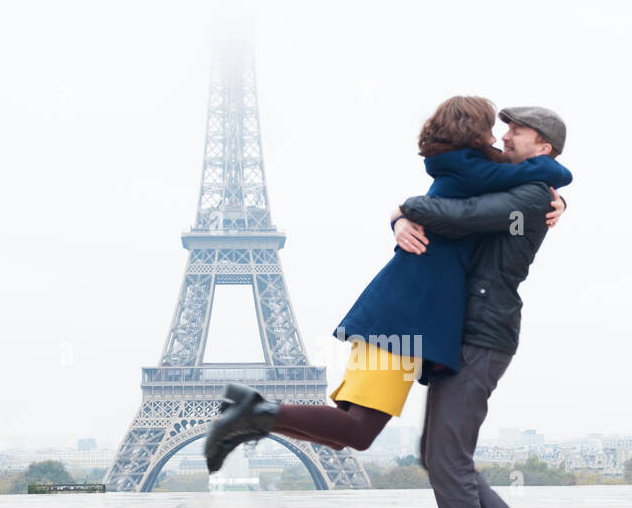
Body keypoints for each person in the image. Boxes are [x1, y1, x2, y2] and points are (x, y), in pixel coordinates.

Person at [204, 96, 571, 470]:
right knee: (357, 430)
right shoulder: (474, 174)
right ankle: (255, 411)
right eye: (493, 130)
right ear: (474, 134)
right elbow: (507, 191)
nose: (499, 138)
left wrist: (552, 203)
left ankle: (251, 420)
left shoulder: (462, 170)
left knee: (345, 436)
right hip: (408, 314)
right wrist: (554, 186)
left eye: (511, 131)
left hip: (397, 307)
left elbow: (509, 209)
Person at [391, 105, 570, 508]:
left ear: (545, 148)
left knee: (447, 457)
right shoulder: (513, 184)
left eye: (518, 130)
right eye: (505, 126)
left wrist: (406, 207)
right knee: (439, 455)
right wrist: (398, 217)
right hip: (468, 329)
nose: (505, 135)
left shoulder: (533, 196)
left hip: (483, 334)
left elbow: (463, 216)